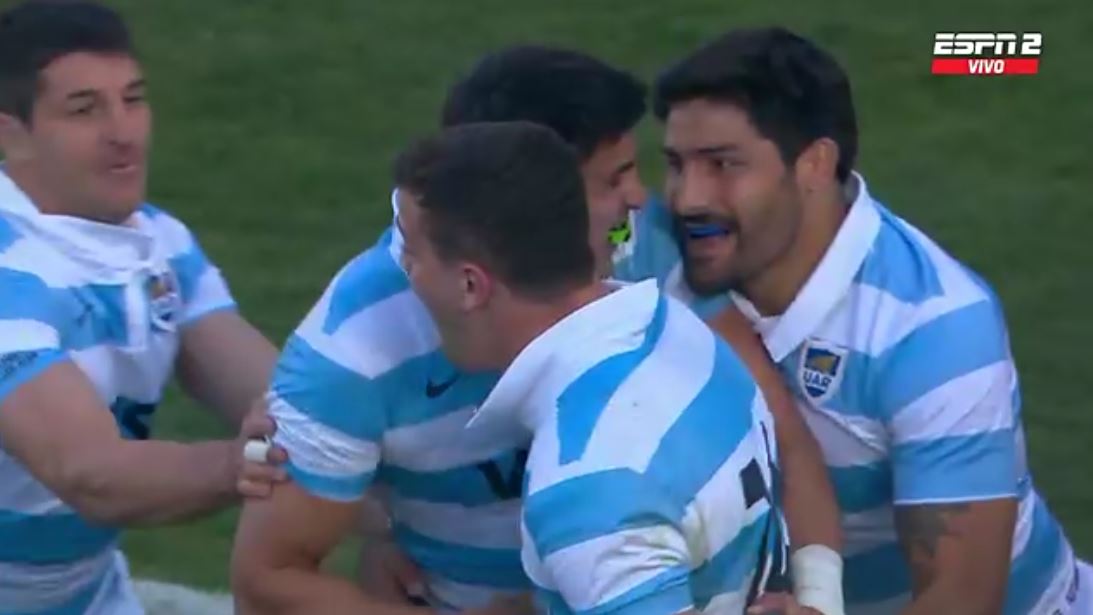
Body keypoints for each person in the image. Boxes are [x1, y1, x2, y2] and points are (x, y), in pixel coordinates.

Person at [232, 45, 843, 614]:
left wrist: (817, 600)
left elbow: (777, 437)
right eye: (613, 179)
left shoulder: (635, 252)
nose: (643, 199)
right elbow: (269, 572)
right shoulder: (352, 349)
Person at [642, 26, 1091, 614]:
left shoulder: (936, 330)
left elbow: (959, 602)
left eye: (722, 164)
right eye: (676, 164)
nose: (687, 198)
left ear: (814, 164)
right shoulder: (655, 243)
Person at [394, 120, 791, 614]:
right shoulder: (676, 328)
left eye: (411, 251)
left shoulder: (588, 486)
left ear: (471, 286)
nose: (404, 270)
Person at [0, 2, 284, 613]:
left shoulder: (156, 240)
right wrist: (247, 461)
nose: (123, 132)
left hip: (87, 593)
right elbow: (88, 474)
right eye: (84, 110)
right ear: (9, 134)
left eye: (132, 99)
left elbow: (277, 394)